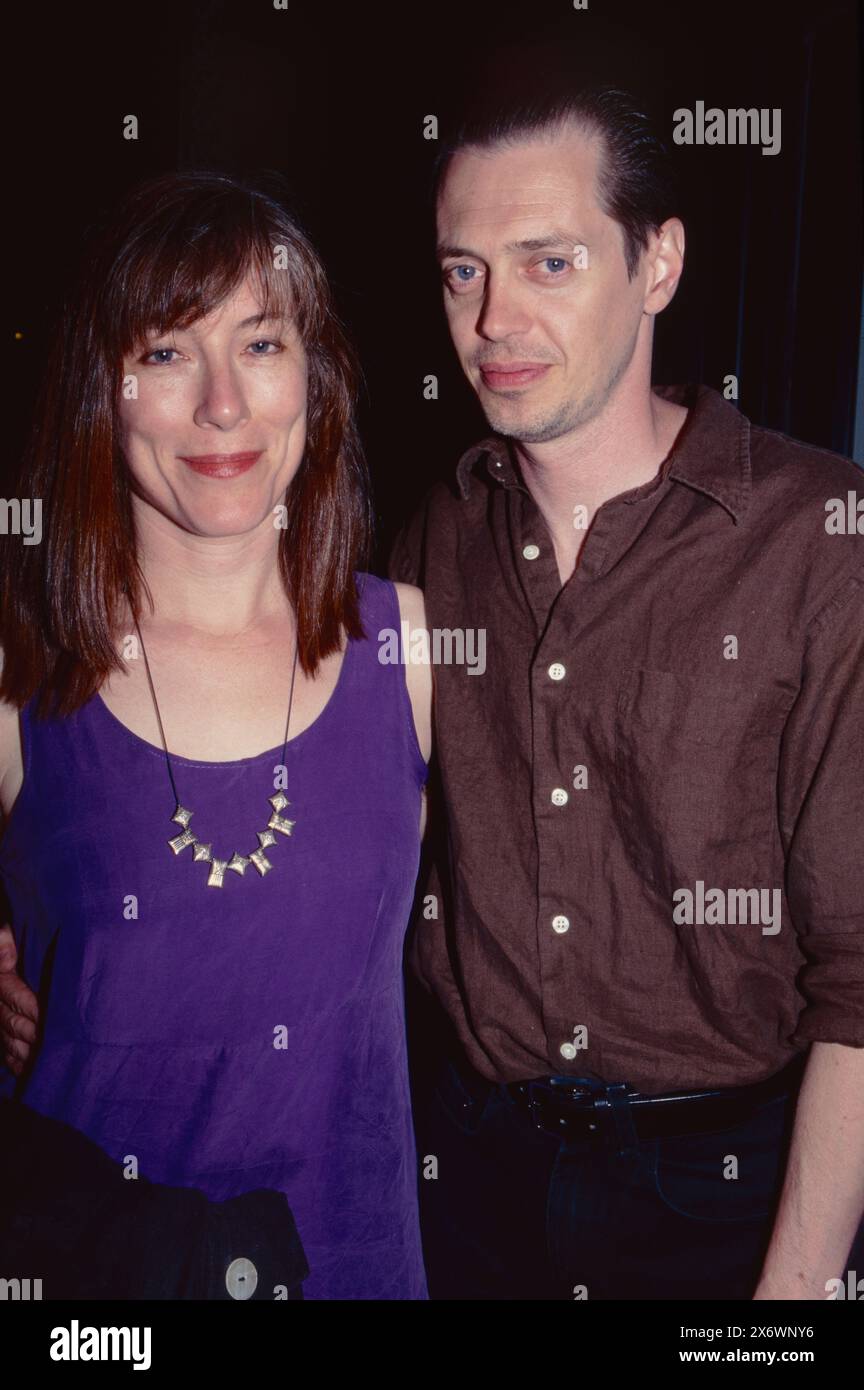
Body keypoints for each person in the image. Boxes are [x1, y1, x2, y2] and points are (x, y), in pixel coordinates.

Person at [385, 77, 864, 1300]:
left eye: (548, 263)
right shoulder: (434, 532)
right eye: (462, 271)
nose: (494, 319)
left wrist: (793, 1297)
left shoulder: (819, 539)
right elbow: (354, 833)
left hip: (721, 1201)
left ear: (659, 264)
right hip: (467, 1171)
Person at [0, 171, 432, 1301]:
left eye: (262, 343)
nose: (225, 406)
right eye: (165, 351)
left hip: (357, 1270)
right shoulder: (19, 666)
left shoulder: (414, 643)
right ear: (104, 388)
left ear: (317, 376)